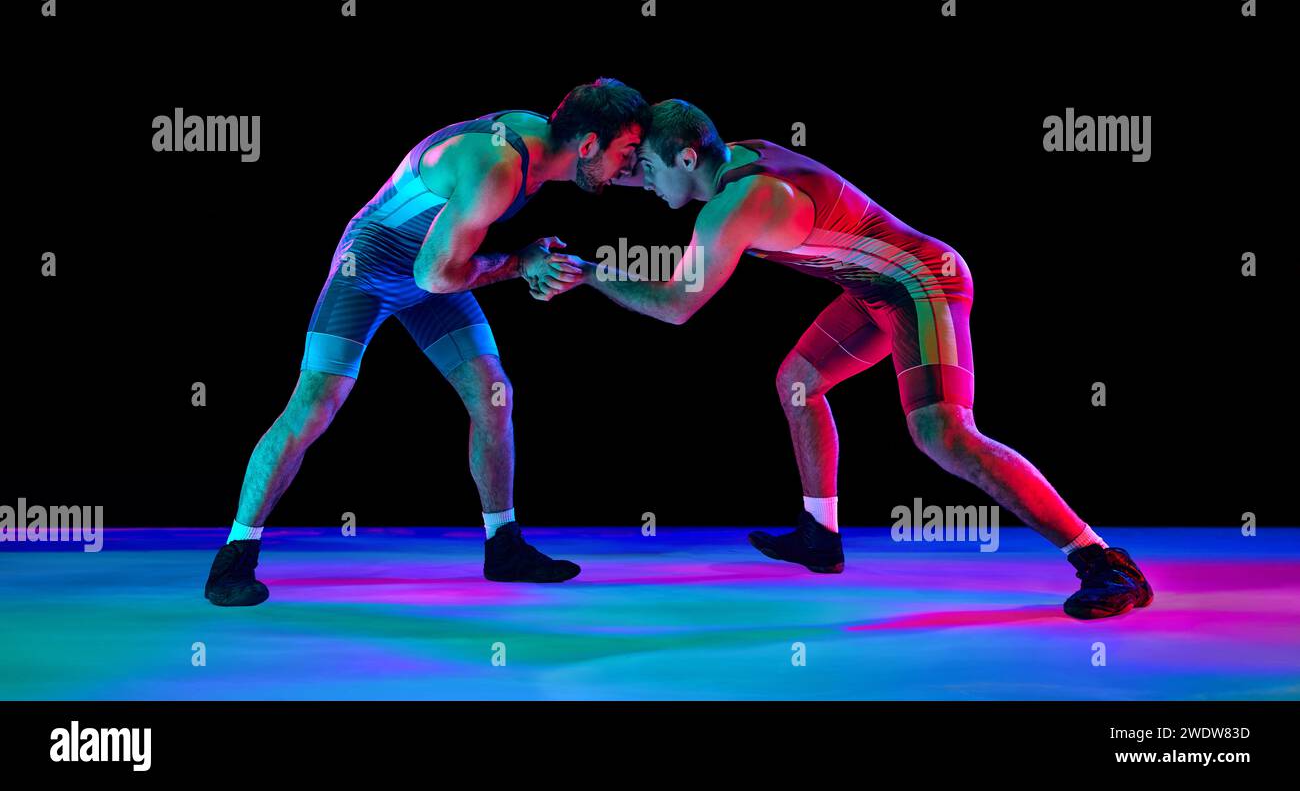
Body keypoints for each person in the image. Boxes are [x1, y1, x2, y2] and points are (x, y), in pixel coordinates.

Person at [534, 98, 1154, 620]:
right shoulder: (738, 156)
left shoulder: (738, 204)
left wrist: (588, 272)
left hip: (921, 282)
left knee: (942, 434)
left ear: (687, 157)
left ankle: (1104, 563)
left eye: (643, 169)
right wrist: (607, 170)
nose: (638, 184)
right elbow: (672, 179)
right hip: (875, 287)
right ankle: (819, 535)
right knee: (799, 382)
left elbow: (675, 305)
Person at [204, 79, 649, 606]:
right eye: (628, 153)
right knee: (313, 408)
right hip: (370, 269)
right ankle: (235, 555)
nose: (631, 167)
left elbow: (439, 265)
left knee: (492, 395)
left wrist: (680, 176)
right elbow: (435, 276)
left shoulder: (543, 139)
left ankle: (503, 545)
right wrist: (520, 264)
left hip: (430, 266)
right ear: (589, 144)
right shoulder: (500, 167)